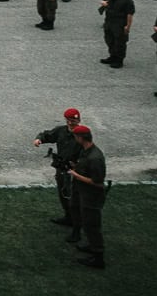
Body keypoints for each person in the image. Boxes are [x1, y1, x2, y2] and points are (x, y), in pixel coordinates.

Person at [32, 108, 84, 231]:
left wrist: (78, 166)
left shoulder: (82, 135)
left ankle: (77, 222)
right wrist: (39, 139)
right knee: (63, 193)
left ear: (79, 120)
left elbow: (87, 152)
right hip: (62, 169)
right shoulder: (61, 131)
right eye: (69, 120)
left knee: (74, 198)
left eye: (74, 120)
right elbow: (47, 135)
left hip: (76, 172)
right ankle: (68, 217)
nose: (71, 123)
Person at [67, 125, 107, 268]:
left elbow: (97, 182)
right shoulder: (86, 152)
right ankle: (91, 246)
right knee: (84, 219)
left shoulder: (95, 157)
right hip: (84, 193)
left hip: (92, 196)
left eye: (76, 137)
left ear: (80, 138)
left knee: (92, 225)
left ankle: (98, 257)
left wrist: (76, 175)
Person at [100, 0, 134, 67]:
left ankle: (119, 60)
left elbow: (130, 14)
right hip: (109, 20)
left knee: (119, 41)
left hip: (119, 22)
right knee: (109, 39)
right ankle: (112, 56)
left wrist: (128, 26)